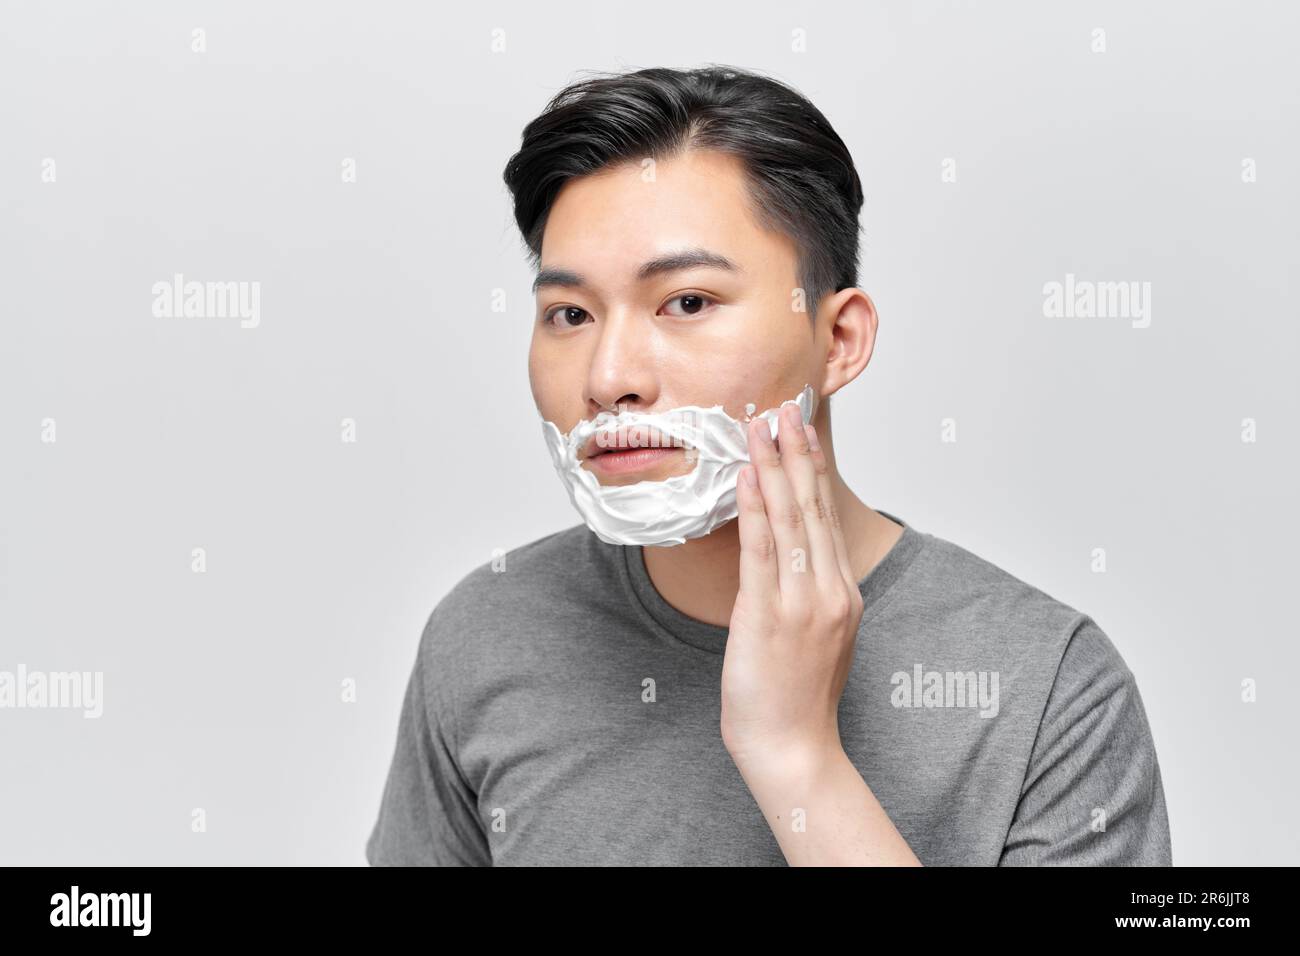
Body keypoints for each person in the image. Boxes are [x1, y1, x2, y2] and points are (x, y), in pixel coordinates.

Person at [365, 65, 1172, 865]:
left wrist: (797, 759)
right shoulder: (488, 634)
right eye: (569, 314)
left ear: (839, 341)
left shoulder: (1048, 686)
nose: (609, 379)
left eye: (687, 302)